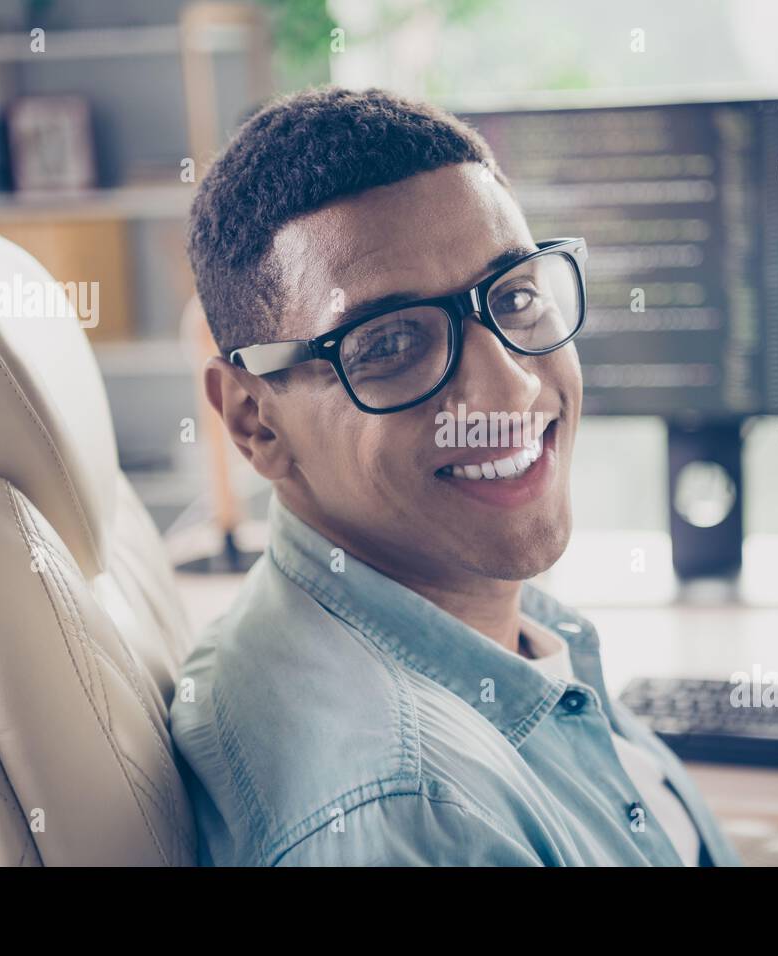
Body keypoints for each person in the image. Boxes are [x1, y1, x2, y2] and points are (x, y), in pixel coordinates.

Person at [171, 86, 738, 866]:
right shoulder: (413, 815)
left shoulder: (492, 616)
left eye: (515, 295)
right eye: (391, 342)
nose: (508, 388)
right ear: (253, 420)